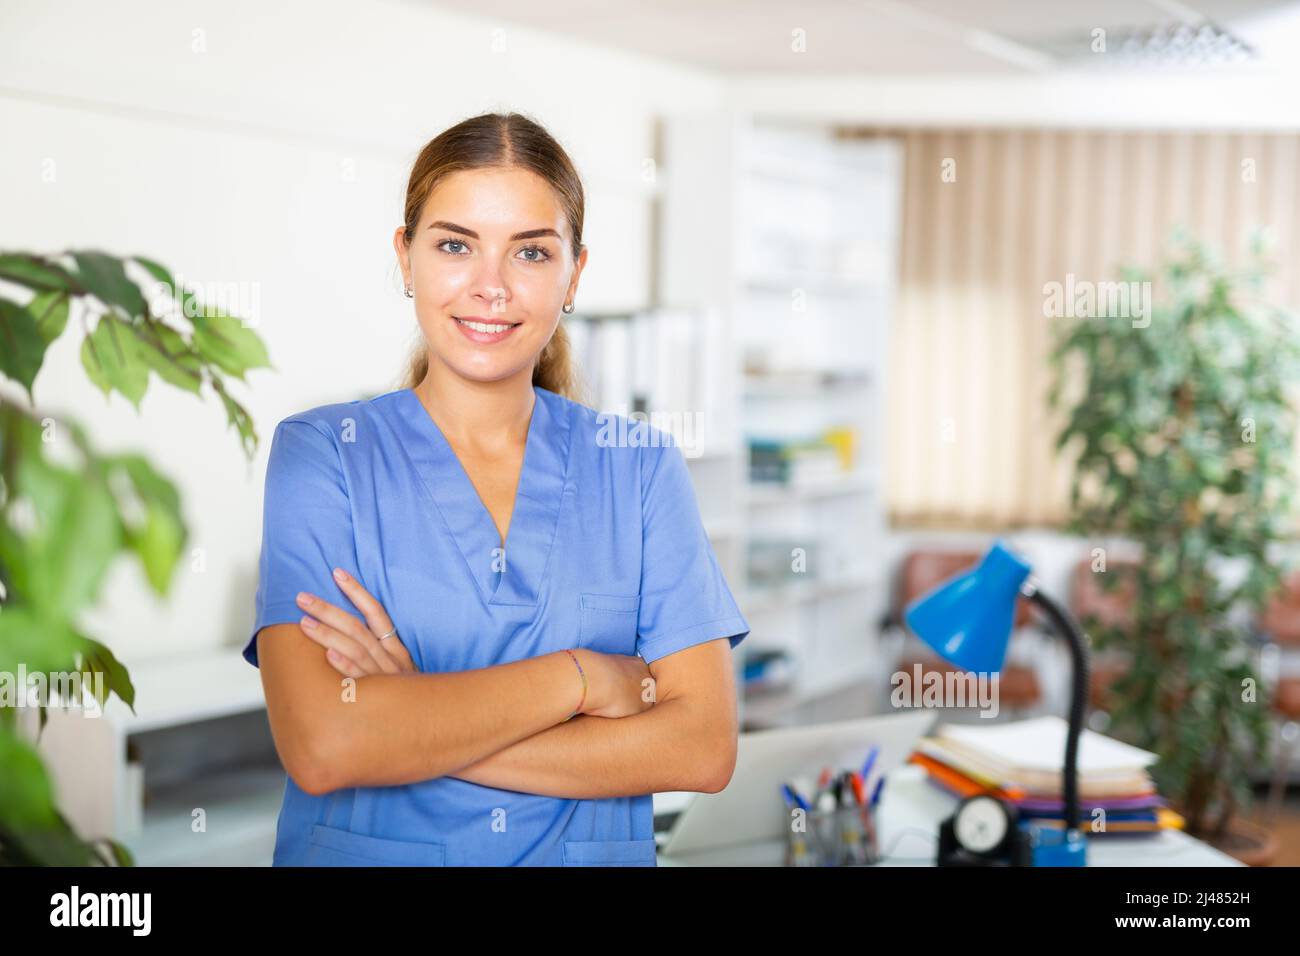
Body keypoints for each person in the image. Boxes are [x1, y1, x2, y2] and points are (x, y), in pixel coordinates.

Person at [244, 111, 750, 866]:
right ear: (405, 258)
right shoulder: (324, 456)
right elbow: (325, 744)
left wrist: (416, 720)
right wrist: (579, 677)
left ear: (574, 274)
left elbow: (703, 748)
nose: (491, 287)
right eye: (454, 245)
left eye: (531, 253)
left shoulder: (638, 467)